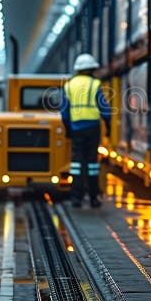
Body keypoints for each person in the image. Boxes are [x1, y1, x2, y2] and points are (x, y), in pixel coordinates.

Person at [59, 53, 112, 208]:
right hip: (93, 129)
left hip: (76, 129)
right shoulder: (94, 85)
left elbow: (64, 112)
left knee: (76, 164)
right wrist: (108, 127)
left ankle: (76, 198)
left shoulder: (69, 86)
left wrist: (68, 129)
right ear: (91, 69)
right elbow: (105, 110)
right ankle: (94, 198)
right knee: (92, 164)